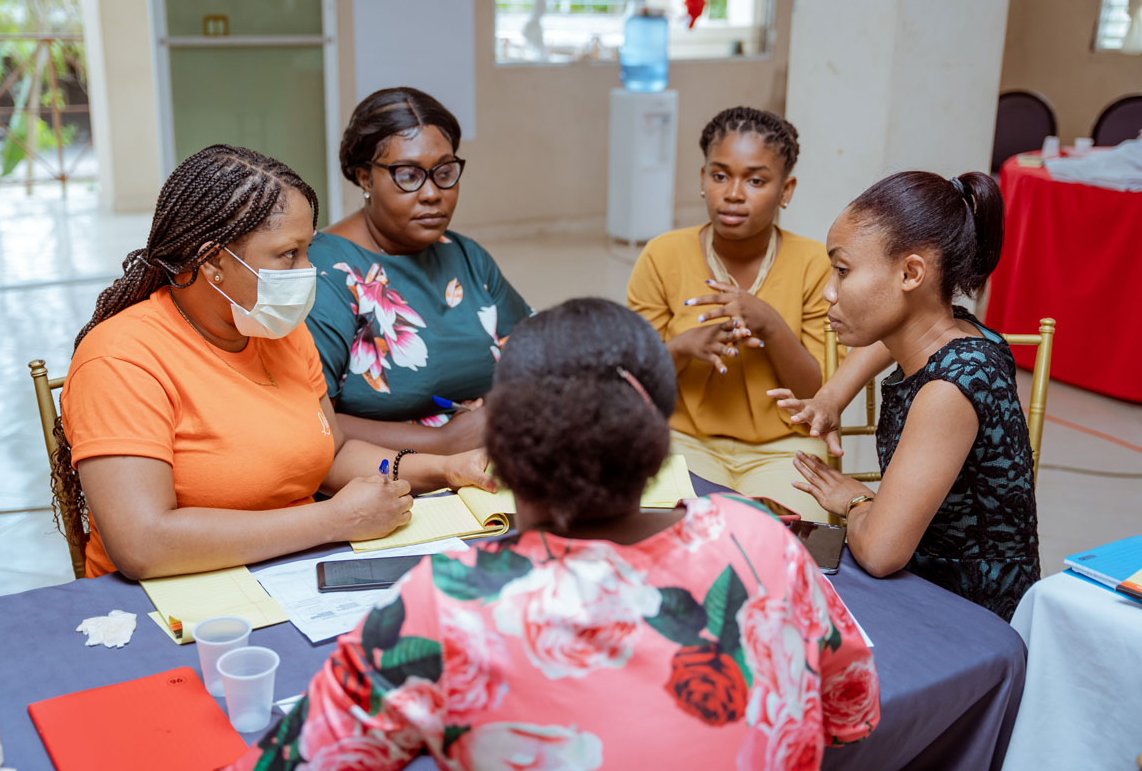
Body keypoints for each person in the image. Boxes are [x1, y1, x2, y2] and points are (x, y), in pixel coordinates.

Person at [228, 298, 879, 771]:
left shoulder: (450, 604)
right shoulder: (759, 536)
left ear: (501, 440)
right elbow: (850, 711)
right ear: (655, 430)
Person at [54, 145, 494, 580]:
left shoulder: (274, 329)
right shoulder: (120, 360)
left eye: (308, 249)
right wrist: (333, 521)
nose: (309, 269)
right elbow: (142, 543)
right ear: (213, 263)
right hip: (171, 597)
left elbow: (333, 454)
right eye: (289, 255)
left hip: (288, 570)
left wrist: (444, 468)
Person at [771, 171, 1041, 621]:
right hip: (932, 583)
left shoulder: (946, 392)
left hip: (967, 614)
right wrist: (832, 396)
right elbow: (884, 341)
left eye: (843, 270)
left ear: (911, 273)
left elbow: (880, 552)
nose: (828, 292)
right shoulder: (958, 329)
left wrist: (854, 500)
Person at [627, 106, 833, 521]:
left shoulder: (815, 263)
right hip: (682, 440)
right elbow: (634, 380)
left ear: (786, 190)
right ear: (702, 179)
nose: (734, 193)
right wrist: (683, 348)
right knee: (666, 536)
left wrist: (769, 323)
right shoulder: (663, 254)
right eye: (720, 175)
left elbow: (817, 395)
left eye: (756, 180)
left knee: (783, 545)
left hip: (785, 450)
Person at [305, 87, 532, 455]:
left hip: (487, 465)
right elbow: (309, 419)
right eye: (408, 175)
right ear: (365, 178)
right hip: (380, 484)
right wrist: (442, 442)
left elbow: (536, 354)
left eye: (444, 172)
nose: (432, 193)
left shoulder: (465, 256)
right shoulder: (325, 273)